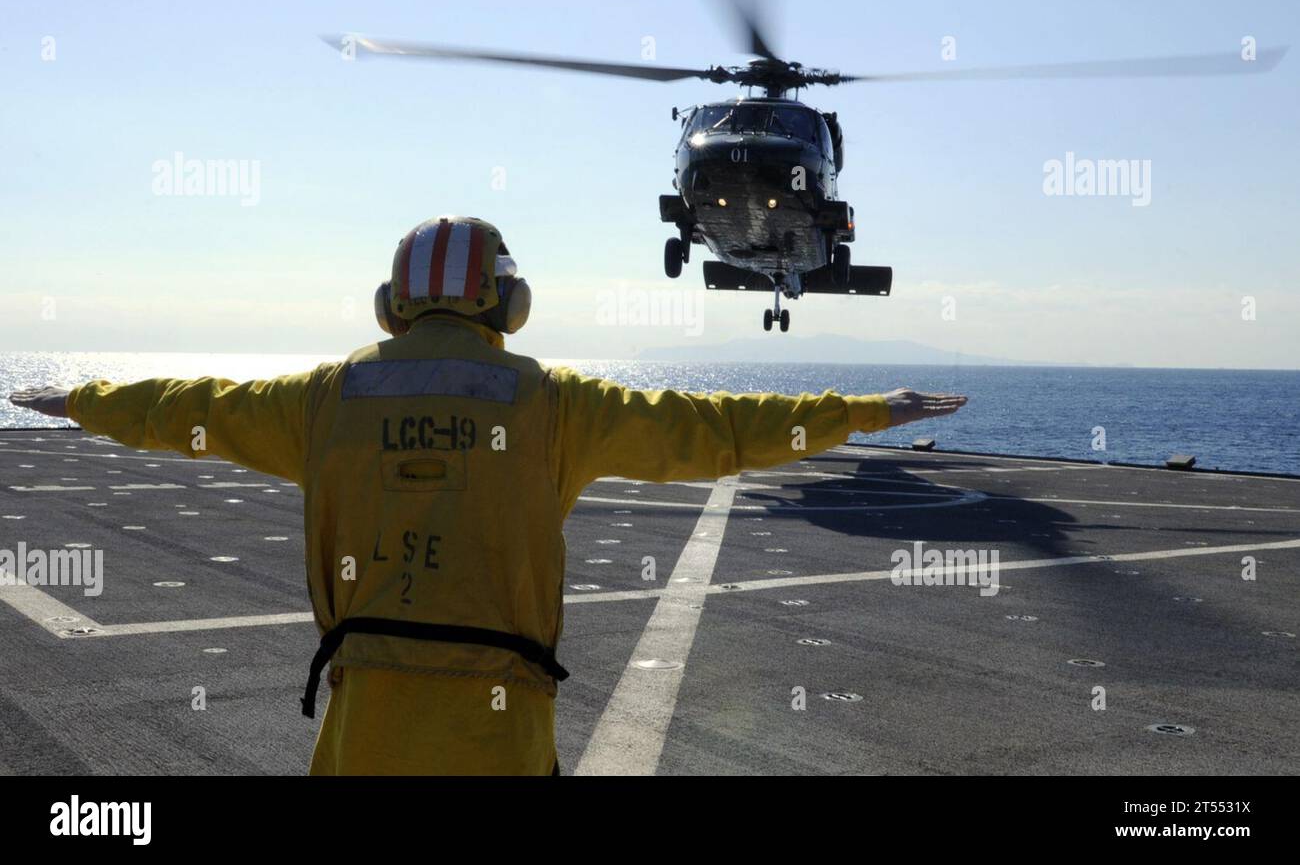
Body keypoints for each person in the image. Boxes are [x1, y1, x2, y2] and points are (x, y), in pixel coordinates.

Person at [10, 215, 967, 775]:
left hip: (361, 728)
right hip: (498, 728)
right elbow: (709, 429)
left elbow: (192, 410)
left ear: (393, 305)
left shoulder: (327, 397)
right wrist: (865, 410)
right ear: (504, 304)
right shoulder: (550, 403)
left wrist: (74, 400)